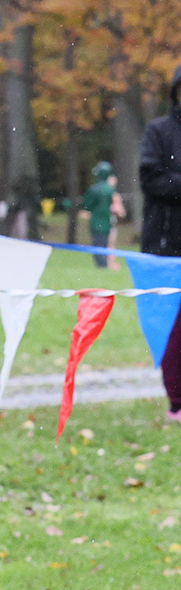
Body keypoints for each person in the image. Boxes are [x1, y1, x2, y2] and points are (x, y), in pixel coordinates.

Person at [142, 63, 181, 422]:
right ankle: (177, 402)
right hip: (166, 249)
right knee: (170, 329)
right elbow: (151, 178)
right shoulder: (159, 131)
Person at [79, 162, 124, 270]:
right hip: (109, 222)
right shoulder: (111, 190)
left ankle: (102, 266)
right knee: (108, 245)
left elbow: (86, 206)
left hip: (96, 223)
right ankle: (107, 265)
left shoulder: (95, 189)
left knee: (98, 246)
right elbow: (119, 210)